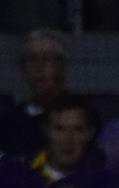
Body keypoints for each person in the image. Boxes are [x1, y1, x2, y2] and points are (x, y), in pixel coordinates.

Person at [0, 29, 68, 160]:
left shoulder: (83, 118)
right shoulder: (8, 122)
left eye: (47, 59)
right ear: (23, 69)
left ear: (62, 67)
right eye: (32, 59)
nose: (39, 66)